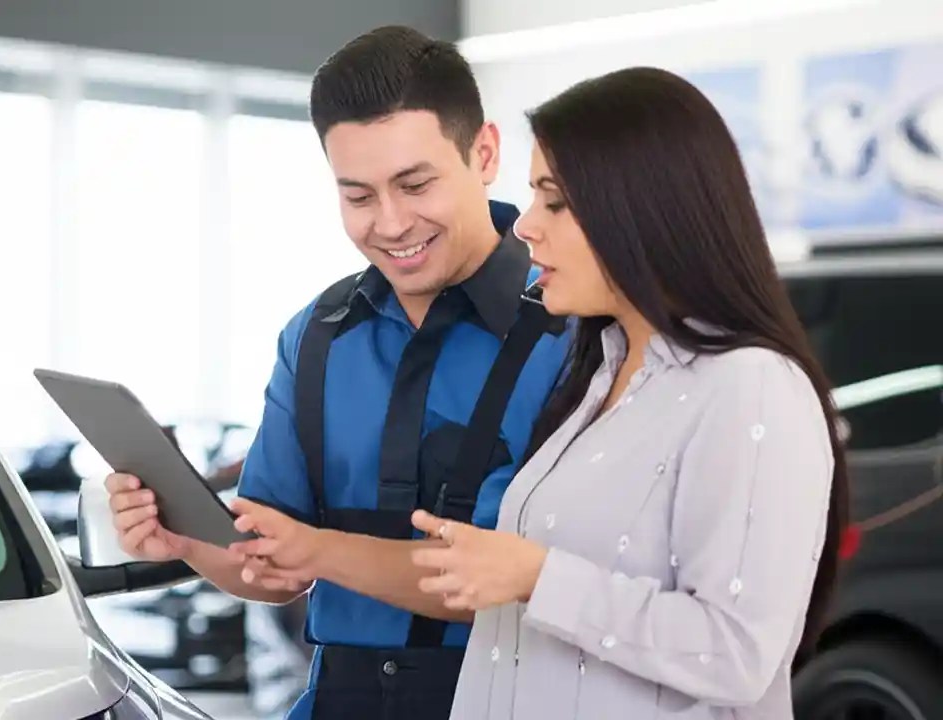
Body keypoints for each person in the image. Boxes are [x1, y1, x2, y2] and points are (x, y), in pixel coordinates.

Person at [104, 25, 573, 719]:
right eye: (358, 197)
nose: (392, 223)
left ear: (484, 153)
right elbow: (273, 570)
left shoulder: (572, 329)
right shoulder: (317, 337)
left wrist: (319, 551)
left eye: (415, 185)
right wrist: (184, 539)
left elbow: (546, 582)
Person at [406, 66, 849, 719]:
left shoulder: (750, 388)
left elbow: (737, 652)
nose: (525, 226)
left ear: (644, 210)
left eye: (554, 201)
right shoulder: (600, 374)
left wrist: (537, 577)